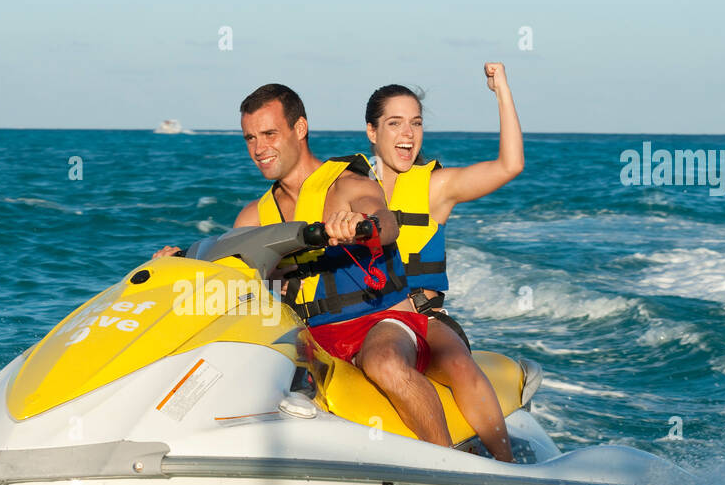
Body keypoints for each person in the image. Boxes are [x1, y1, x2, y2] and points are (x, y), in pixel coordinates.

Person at [156, 83, 466, 454]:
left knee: (383, 363)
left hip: (380, 322)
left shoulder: (350, 185)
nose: (258, 148)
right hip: (311, 335)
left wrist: (358, 224)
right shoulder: (254, 216)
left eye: (269, 133)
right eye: (250, 138)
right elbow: (228, 273)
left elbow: (385, 223)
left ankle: (450, 466)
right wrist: (180, 264)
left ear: (299, 129)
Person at [357, 64, 524, 461]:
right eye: (395, 123)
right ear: (372, 131)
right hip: (363, 320)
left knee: (461, 366)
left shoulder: (436, 188)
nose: (408, 134)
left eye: (415, 123)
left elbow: (510, 166)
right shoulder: (348, 187)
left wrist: (501, 90)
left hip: (424, 319)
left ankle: (507, 467)